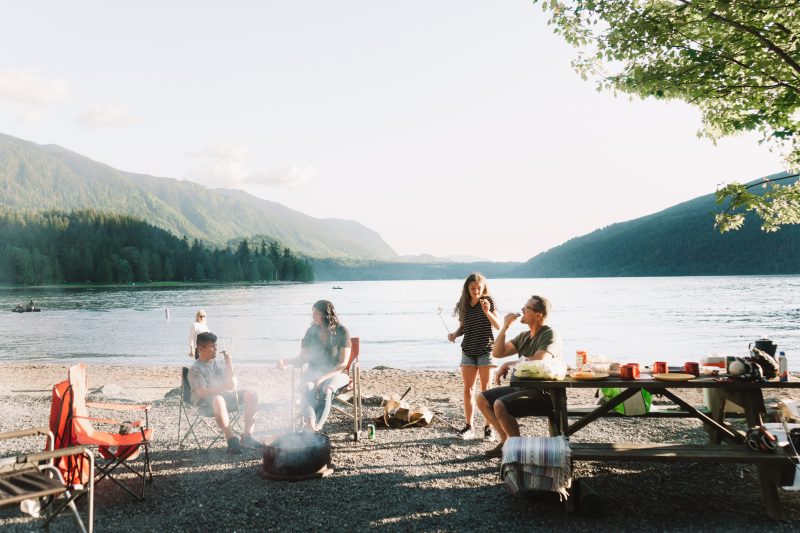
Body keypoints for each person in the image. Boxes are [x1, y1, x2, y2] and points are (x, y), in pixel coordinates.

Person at [477, 295, 563, 458]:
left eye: (527, 308)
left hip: (544, 393)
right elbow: (498, 352)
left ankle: (518, 449)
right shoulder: (524, 336)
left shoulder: (550, 335)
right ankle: (505, 442)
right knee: (482, 399)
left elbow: (539, 360)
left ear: (538, 314)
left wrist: (508, 365)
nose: (522, 309)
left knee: (500, 405)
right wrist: (504, 328)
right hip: (522, 388)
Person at [278, 300, 351, 432]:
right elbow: (302, 359)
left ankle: (317, 426)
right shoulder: (311, 332)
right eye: (313, 313)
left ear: (326, 314)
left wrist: (322, 379)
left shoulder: (342, 332)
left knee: (326, 389)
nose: (313, 317)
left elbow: (343, 364)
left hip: (336, 374)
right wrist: (286, 361)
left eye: (316, 313)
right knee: (307, 386)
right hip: (313, 373)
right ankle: (310, 423)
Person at [188, 331, 261, 454]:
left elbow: (230, 382)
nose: (216, 348)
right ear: (201, 348)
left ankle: (247, 436)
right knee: (218, 399)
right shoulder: (195, 369)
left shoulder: (219, 363)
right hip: (204, 404)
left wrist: (229, 363)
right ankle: (232, 440)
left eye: (216, 345)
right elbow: (202, 393)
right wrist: (224, 387)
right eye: (212, 346)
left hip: (224, 397)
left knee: (252, 393)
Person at [447, 273, 501, 441]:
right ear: (467, 288)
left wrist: (487, 312)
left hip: (486, 349)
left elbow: (498, 325)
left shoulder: (488, 302)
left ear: (483, 288)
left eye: (479, 288)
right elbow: (464, 327)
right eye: (473, 288)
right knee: (468, 389)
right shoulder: (463, 304)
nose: (476, 291)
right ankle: (469, 427)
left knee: (487, 391)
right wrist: (455, 334)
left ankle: (488, 428)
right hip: (468, 350)